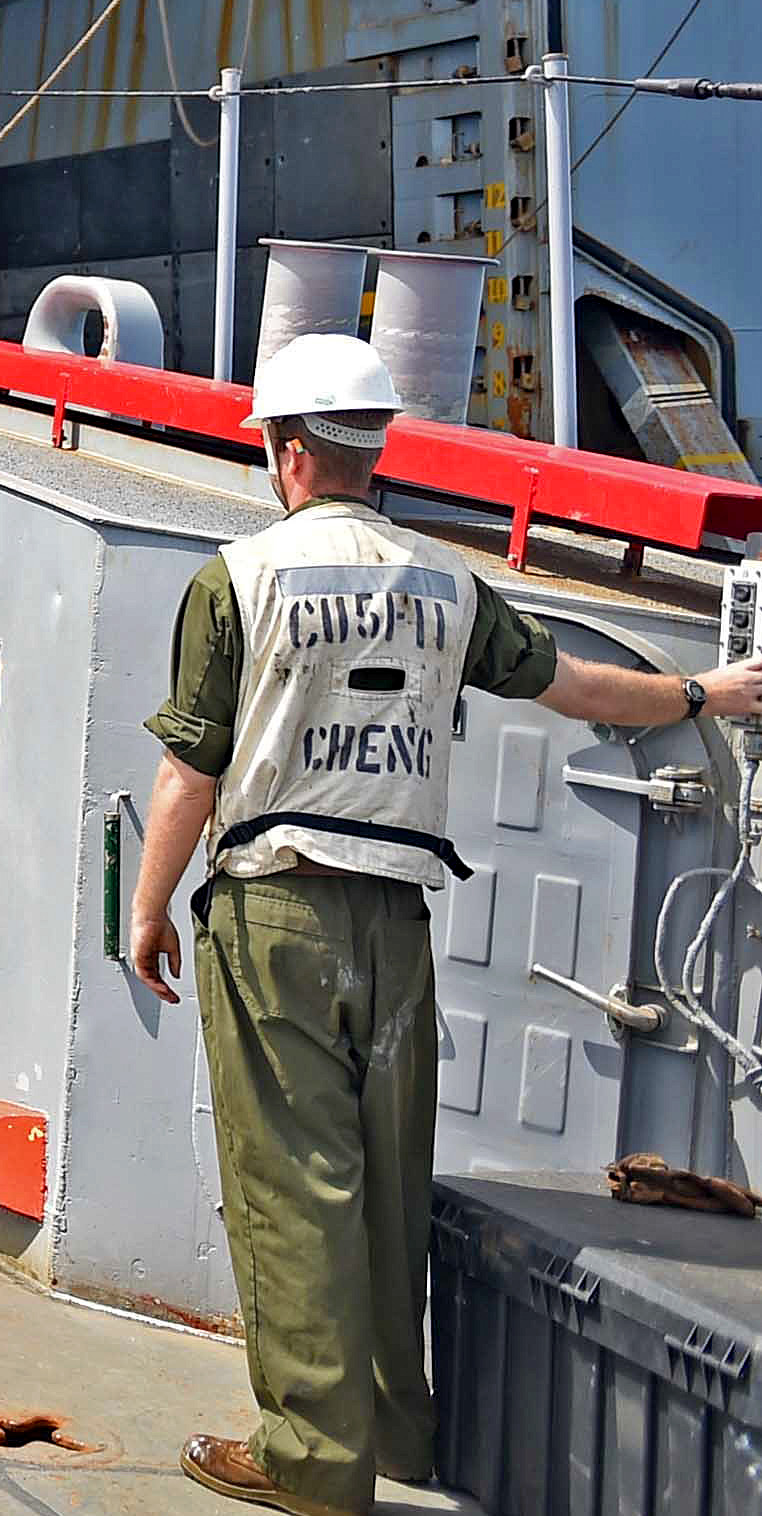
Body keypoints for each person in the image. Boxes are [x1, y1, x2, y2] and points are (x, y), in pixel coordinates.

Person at [126, 334, 762, 1516]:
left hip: (276, 907)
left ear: (286, 449)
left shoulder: (238, 576)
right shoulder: (442, 585)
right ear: (375, 449)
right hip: (397, 925)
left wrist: (148, 903)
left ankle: (312, 1459)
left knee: (290, 1178)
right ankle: (396, 1429)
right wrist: (697, 693)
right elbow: (569, 683)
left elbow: (185, 772)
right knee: (383, 1172)